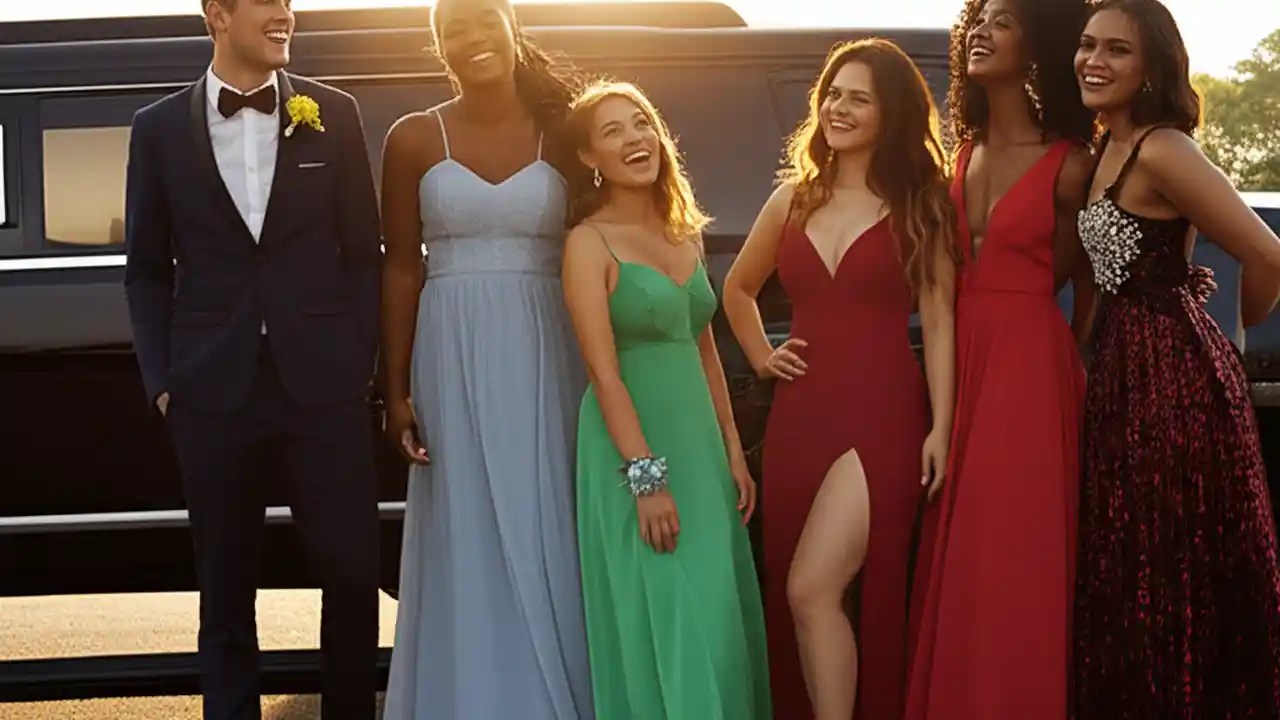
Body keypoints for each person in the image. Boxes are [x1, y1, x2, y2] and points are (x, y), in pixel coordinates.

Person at [123, 0, 381, 717]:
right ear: (217, 13)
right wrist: (164, 383)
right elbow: (144, 268)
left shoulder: (336, 113)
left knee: (353, 573)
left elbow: (364, 251)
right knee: (226, 588)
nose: (284, 15)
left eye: (290, 3)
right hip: (210, 392)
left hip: (323, 386)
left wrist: (357, 355)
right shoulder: (157, 130)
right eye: (266, 3)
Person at [722, 38, 957, 720]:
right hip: (799, 417)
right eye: (832, 94)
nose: (839, 108)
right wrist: (763, 356)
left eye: (860, 98)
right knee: (800, 593)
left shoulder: (922, 203)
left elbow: (939, 323)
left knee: (810, 588)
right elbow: (737, 289)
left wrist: (942, 424)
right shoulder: (793, 198)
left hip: (883, 414)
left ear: (893, 115)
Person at [377, 0, 594, 717]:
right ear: (439, 48)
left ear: (512, 28)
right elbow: (402, 268)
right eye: (453, 31)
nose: (472, 39)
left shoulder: (564, 134)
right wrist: (398, 388)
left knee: (547, 512)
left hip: (546, 343)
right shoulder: (412, 138)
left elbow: (607, 239)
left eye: (483, 21)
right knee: (464, 519)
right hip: (450, 350)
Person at [1071, 1, 1280, 716]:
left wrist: (1233, 333)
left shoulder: (1163, 148)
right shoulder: (1105, 146)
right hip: (1120, 374)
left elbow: (1265, 251)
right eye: (1088, 45)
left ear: (1152, 67)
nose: (1094, 60)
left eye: (1117, 51)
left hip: (1174, 377)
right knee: (1128, 563)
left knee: (1167, 561)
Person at [904, 0, 1097, 716]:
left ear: (1039, 41)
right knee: (964, 556)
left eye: (1003, 20)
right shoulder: (958, 155)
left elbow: (1088, 286)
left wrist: (1064, 371)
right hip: (961, 366)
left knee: (1016, 553)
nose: (981, 29)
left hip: (1029, 374)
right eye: (975, 19)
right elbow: (940, 289)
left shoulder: (1072, 165)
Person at [561, 79, 772, 719]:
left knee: (717, 617)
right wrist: (646, 480)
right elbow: (604, 373)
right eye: (613, 131)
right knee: (667, 617)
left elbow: (706, 351)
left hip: (702, 452)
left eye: (642, 123)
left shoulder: (687, 234)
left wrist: (733, 453)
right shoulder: (586, 244)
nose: (634, 139)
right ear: (589, 159)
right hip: (633, 454)